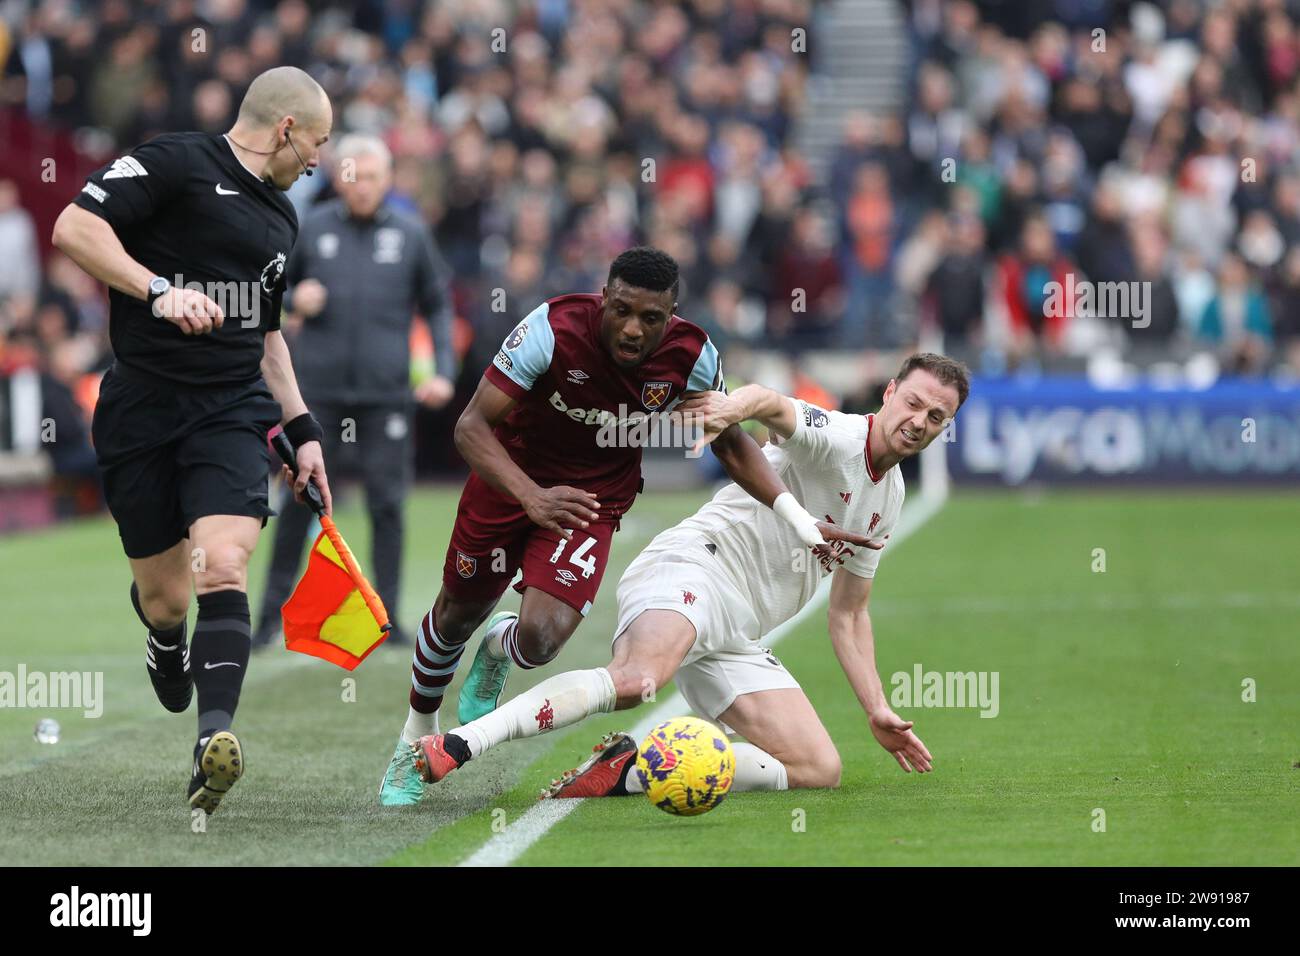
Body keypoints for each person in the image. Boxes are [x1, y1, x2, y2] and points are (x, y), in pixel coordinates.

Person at [379, 247, 870, 805]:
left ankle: (501, 648)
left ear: (672, 314)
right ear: (604, 298)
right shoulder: (551, 328)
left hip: (591, 500)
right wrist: (531, 496)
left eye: (650, 318)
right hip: (509, 480)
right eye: (622, 311)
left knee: (541, 641)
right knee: (454, 614)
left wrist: (798, 517)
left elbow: (732, 441)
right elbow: (470, 427)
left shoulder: (693, 355)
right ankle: (415, 733)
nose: (633, 329)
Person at [411, 354, 969, 799]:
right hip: (696, 568)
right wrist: (730, 409)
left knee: (817, 767)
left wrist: (876, 707)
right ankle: (460, 743)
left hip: (736, 631)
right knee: (635, 681)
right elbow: (770, 403)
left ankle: (628, 770)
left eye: (936, 417)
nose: (919, 422)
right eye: (914, 403)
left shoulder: (889, 496)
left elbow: (849, 612)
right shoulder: (841, 436)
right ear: (890, 392)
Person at [50, 66, 334, 816]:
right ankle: (166, 642)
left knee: (224, 563)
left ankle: (213, 741)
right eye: (316, 143)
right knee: (167, 597)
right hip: (141, 404)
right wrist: (157, 290)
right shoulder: (173, 162)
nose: (317, 162)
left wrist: (302, 431)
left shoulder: (282, 219)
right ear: (285, 129)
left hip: (233, 411)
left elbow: (267, 334)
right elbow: (74, 226)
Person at [252, 134, 457, 648]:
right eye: (352, 176)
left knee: (387, 505)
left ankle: (385, 616)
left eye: (371, 177)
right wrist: (297, 295)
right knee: (301, 503)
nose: (361, 187)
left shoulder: (411, 235)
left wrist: (443, 372)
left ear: (387, 180)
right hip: (316, 397)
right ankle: (269, 620)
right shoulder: (310, 227)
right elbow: (268, 292)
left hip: (386, 395)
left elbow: (438, 305)